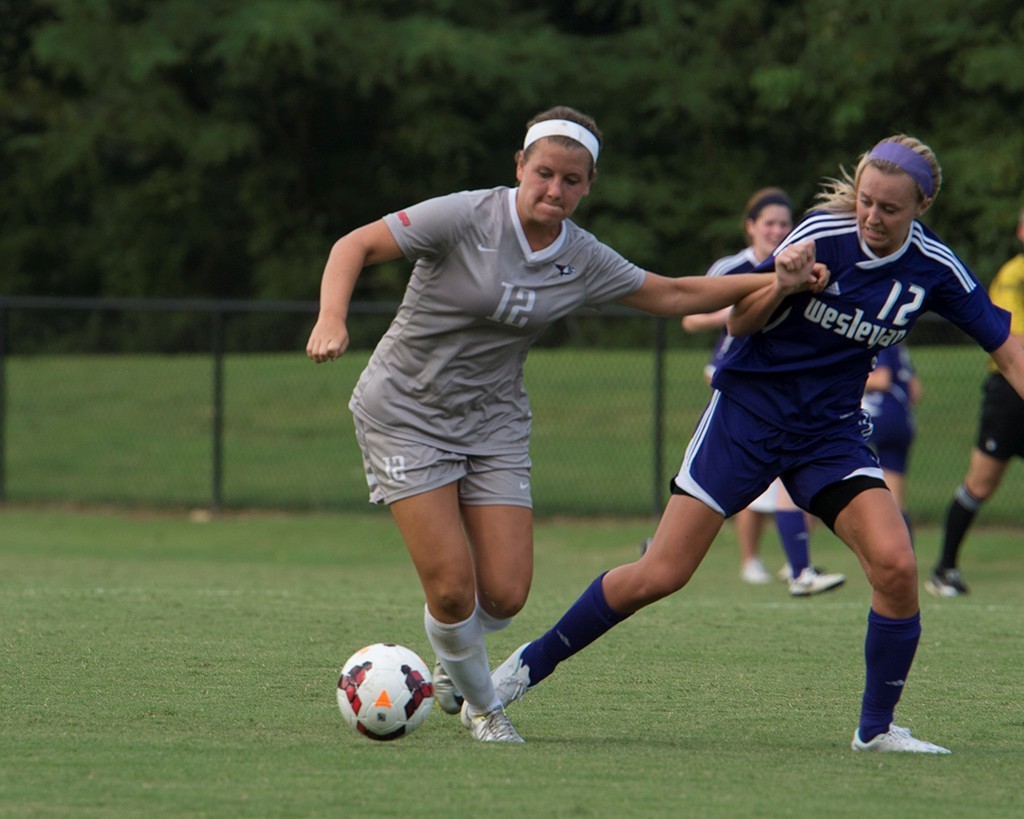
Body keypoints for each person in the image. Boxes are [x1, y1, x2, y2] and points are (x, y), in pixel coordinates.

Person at [488, 134, 1024, 754]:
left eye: (890, 208)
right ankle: (522, 668)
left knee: (897, 566)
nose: (872, 217)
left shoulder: (935, 268)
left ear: (922, 207)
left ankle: (876, 731)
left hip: (829, 435)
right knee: (661, 573)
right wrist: (783, 284)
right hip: (747, 417)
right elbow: (740, 323)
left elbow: (1008, 351)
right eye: (866, 201)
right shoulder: (820, 235)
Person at [305, 106, 792, 743]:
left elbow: (672, 294)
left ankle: (455, 661)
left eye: (571, 180)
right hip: (405, 413)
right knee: (451, 592)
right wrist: (332, 317)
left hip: (494, 423)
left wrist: (775, 279)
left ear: (588, 186)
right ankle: (486, 710)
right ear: (519, 166)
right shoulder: (466, 215)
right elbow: (355, 245)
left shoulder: (582, 256)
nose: (555, 189)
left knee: (505, 595)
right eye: (544, 174)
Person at [678, 188, 844, 596]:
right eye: (769, 223)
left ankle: (798, 568)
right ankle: (693, 547)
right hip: (736, 381)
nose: (777, 230)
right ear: (750, 226)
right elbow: (690, 318)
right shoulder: (733, 267)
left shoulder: (804, 265)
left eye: (784, 224)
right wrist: (736, 308)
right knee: (721, 478)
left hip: (782, 386)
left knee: (780, 479)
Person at [928, 206, 1024, 597]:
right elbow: (1013, 342)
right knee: (981, 483)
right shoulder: (1015, 275)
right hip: (1009, 393)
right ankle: (944, 569)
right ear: (1020, 232)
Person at [862, 342, 921, 540]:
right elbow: (915, 391)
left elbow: (882, 379)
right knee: (895, 499)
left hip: (880, 415)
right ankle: (906, 552)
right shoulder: (900, 347)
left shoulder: (881, 340)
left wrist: (843, 378)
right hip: (902, 418)